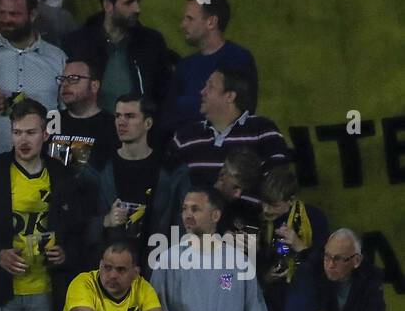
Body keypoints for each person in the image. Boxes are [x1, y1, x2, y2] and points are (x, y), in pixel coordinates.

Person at [0, 98, 83, 311]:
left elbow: (77, 230)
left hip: (46, 289)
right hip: (1, 289)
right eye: (17, 132)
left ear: (45, 134)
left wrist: (65, 253)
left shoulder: (62, 175)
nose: (23, 140)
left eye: (31, 132)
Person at [149, 188, 267, 311]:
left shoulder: (240, 261)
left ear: (215, 216)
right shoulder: (166, 260)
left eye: (195, 209)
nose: (187, 215)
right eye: (184, 209)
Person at [83, 92, 189, 262]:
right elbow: (79, 220)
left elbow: (183, 223)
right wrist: (105, 220)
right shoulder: (98, 167)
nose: (121, 122)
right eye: (118, 116)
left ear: (148, 123)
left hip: (156, 264)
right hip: (109, 266)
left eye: (130, 116)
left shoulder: (172, 170)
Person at [62, 0, 176, 116]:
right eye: (129, 3)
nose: (137, 9)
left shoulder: (152, 43)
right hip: (91, 132)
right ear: (108, 6)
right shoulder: (77, 43)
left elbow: (165, 95)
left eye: (138, 1)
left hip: (141, 133)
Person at [0, 0, 66, 157]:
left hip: (45, 162)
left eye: (14, 14)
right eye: (2, 13)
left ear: (33, 15)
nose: (6, 19)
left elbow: (65, 113)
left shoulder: (58, 58)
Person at [170, 67, 288, 192]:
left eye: (210, 86)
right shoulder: (185, 136)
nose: (202, 92)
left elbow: (278, 183)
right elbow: (167, 185)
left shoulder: (262, 130)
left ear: (230, 96)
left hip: (247, 211)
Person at [161, 0, 257, 138]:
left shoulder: (238, 59)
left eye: (190, 19)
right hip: (185, 151)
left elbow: (240, 113)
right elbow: (169, 115)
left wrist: (186, 107)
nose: (182, 25)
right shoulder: (184, 66)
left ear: (211, 22)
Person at [257, 166, 329, 311]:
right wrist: (264, 277)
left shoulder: (314, 218)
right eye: (263, 202)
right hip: (269, 304)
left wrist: (299, 246)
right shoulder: (257, 220)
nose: (266, 209)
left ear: (291, 201)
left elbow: (327, 267)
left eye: (273, 205)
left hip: (303, 303)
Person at [285, 228, 385, 311]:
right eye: (326, 256)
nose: (330, 265)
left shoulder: (370, 278)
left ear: (356, 261)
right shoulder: (310, 271)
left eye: (338, 259)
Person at [59, 239, 169, 311]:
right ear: (100, 266)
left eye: (121, 270)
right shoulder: (83, 283)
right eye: (107, 268)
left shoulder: (142, 287)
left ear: (135, 273)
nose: (112, 275)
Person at [48, 58, 116, 171]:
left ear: (94, 86)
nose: (65, 84)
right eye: (62, 79)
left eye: (74, 79)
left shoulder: (112, 125)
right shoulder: (53, 120)